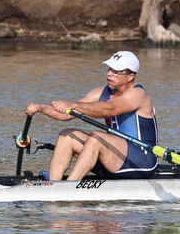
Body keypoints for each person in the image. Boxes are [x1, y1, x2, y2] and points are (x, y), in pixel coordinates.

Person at [26, 51, 159, 181]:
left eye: (116, 72)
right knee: (67, 135)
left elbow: (109, 109)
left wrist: (74, 105)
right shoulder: (99, 93)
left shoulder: (138, 95)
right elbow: (67, 114)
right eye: (109, 69)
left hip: (142, 163)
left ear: (130, 76)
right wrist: (41, 108)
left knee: (97, 137)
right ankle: (53, 186)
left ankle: (69, 188)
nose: (109, 74)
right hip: (113, 159)